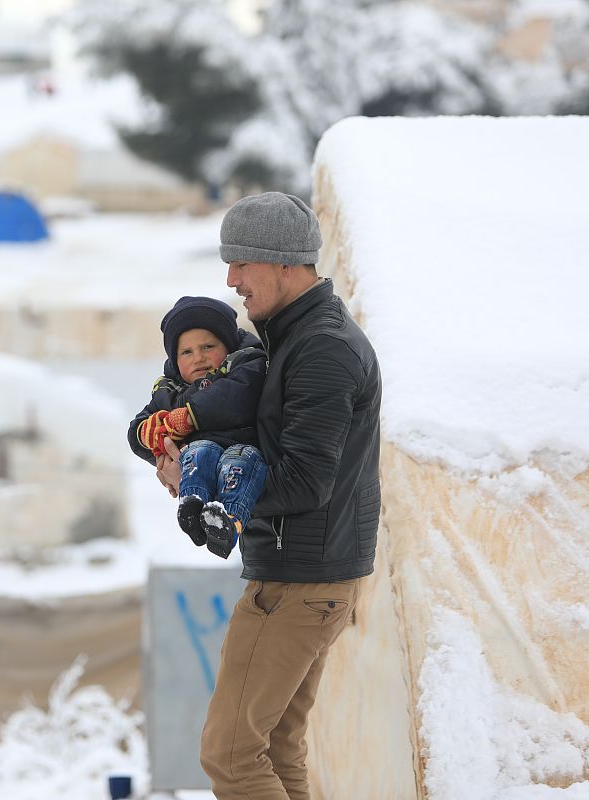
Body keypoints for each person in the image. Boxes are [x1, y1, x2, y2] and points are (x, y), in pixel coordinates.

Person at [157, 192, 382, 800]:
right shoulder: (289, 339)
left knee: (230, 756)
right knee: (275, 749)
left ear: (285, 263)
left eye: (241, 263)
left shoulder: (321, 348)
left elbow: (306, 479)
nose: (230, 281)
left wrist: (206, 490)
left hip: (299, 581)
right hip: (304, 573)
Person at [128, 296, 267, 558]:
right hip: (200, 454)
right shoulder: (169, 387)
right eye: (186, 352)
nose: (198, 358)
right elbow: (138, 427)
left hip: (241, 449)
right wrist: (150, 434)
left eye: (208, 346)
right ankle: (193, 507)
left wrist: (188, 417)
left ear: (228, 344)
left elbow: (233, 396)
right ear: (174, 359)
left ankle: (229, 523)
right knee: (198, 454)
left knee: (238, 467)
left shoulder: (246, 364)